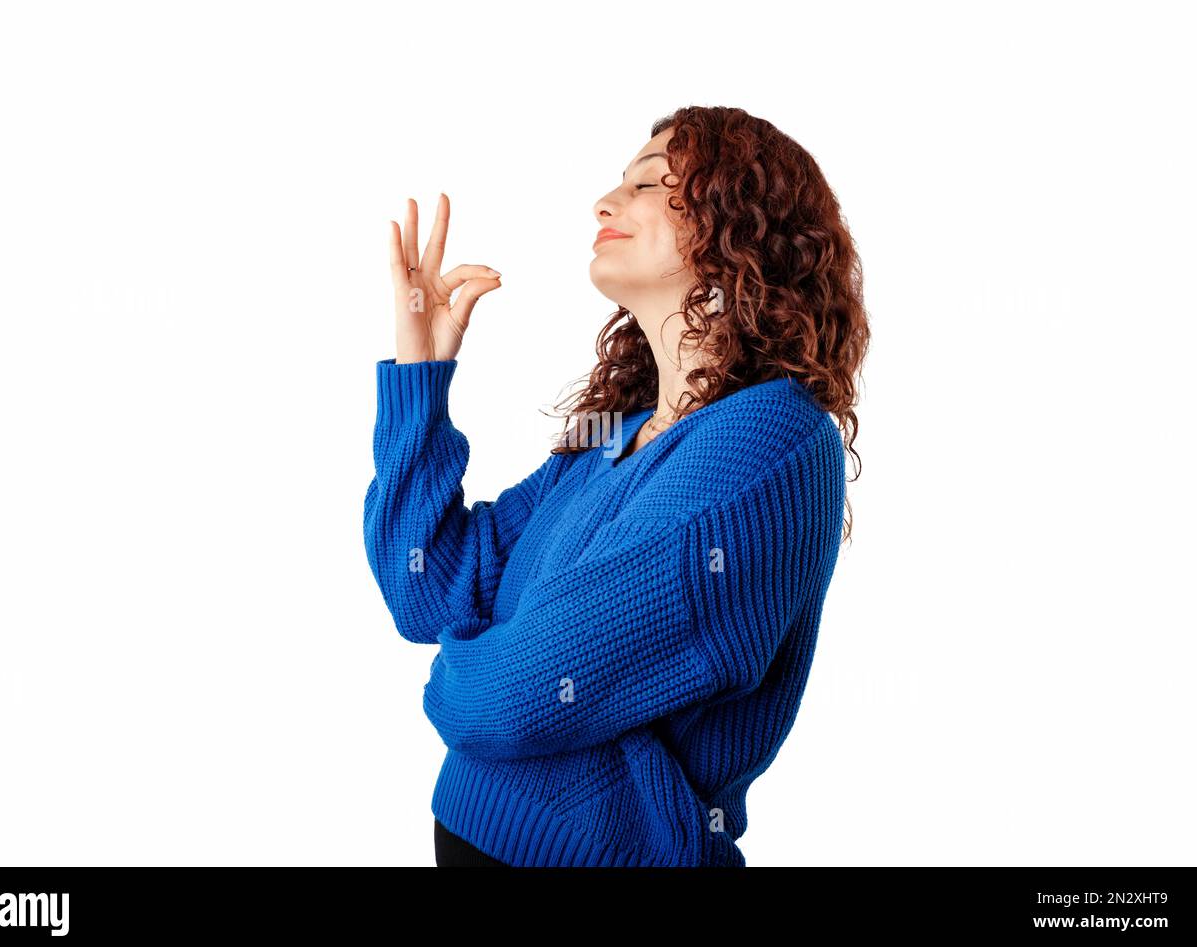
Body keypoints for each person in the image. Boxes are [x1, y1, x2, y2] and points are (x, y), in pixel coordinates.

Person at [364, 105, 869, 867]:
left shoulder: (774, 439)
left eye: (653, 183)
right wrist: (419, 377)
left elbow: (525, 689)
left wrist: (447, 680)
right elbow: (433, 590)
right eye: (618, 181)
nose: (606, 202)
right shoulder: (613, 431)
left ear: (740, 224)